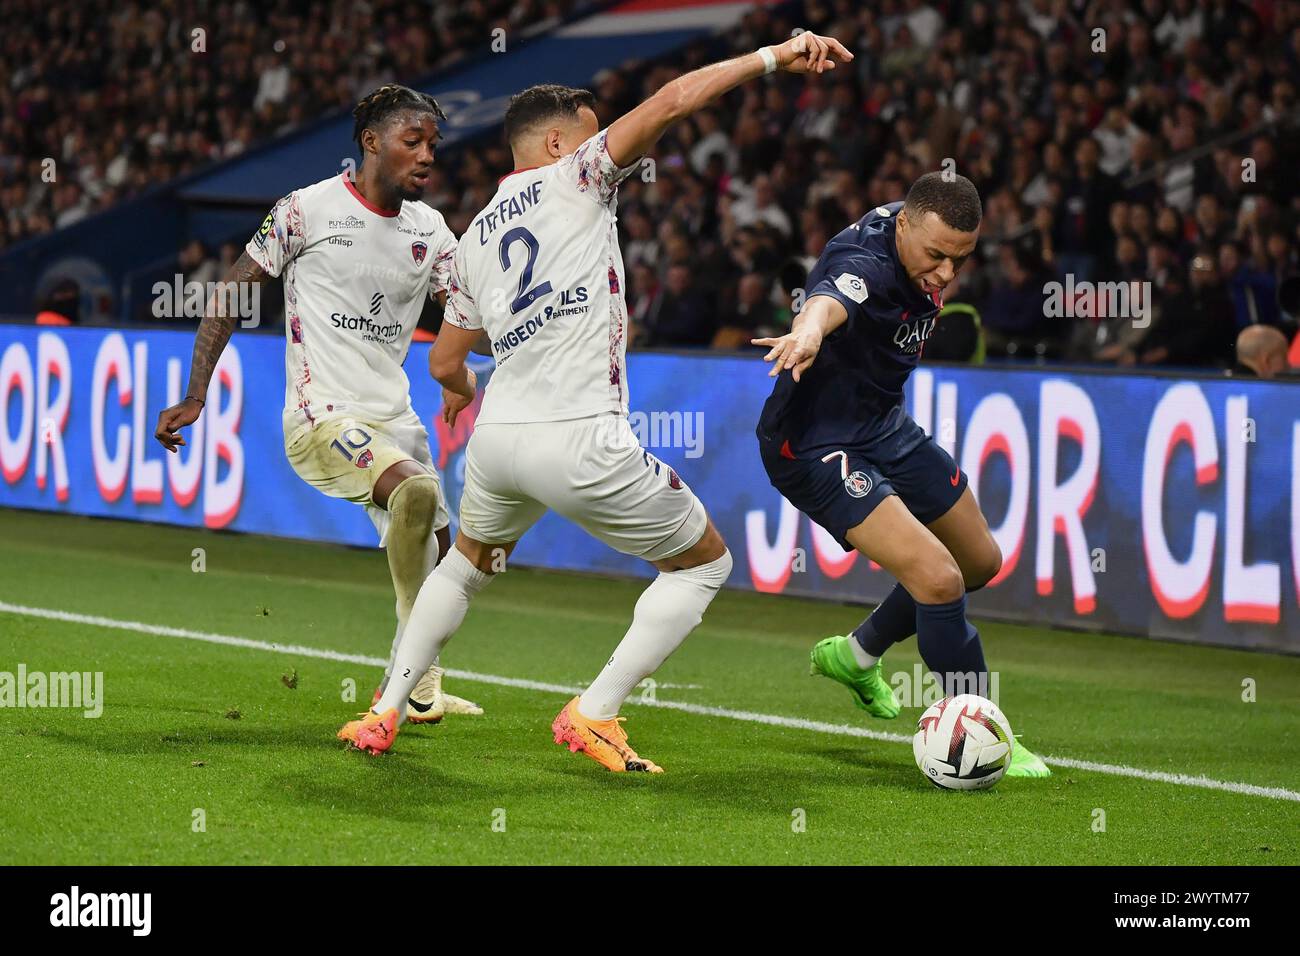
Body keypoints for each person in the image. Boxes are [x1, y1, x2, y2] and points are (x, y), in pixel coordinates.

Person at [339, 32, 854, 770]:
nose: (604, 139)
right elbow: (676, 100)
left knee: (464, 567)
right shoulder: (579, 175)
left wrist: (467, 386)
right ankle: (596, 712)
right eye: (591, 126)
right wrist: (774, 56)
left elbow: (448, 359)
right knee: (702, 563)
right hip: (578, 436)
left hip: (498, 442)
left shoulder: (475, 237)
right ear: (557, 141)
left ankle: (384, 709)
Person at [155, 84, 482, 725]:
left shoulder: (429, 229)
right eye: (411, 142)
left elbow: (464, 314)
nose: (426, 157)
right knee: (415, 495)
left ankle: (415, 679)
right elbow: (231, 295)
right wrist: (198, 391)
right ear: (370, 142)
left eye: (432, 146)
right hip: (322, 417)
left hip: (395, 419)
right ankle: (417, 680)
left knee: (451, 560)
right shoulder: (305, 211)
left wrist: (454, 373)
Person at [753, 172, 1051, 778]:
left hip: (880, 425)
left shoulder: (921, 221)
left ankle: (857, 655)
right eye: (936, 256)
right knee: (939, 579)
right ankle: (980, 727)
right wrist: (809, 329)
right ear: (905, 226)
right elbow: (832, 297)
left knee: (978, 564)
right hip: (811, 443)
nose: (945, 274)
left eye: (960, 261)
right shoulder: (865, 260)